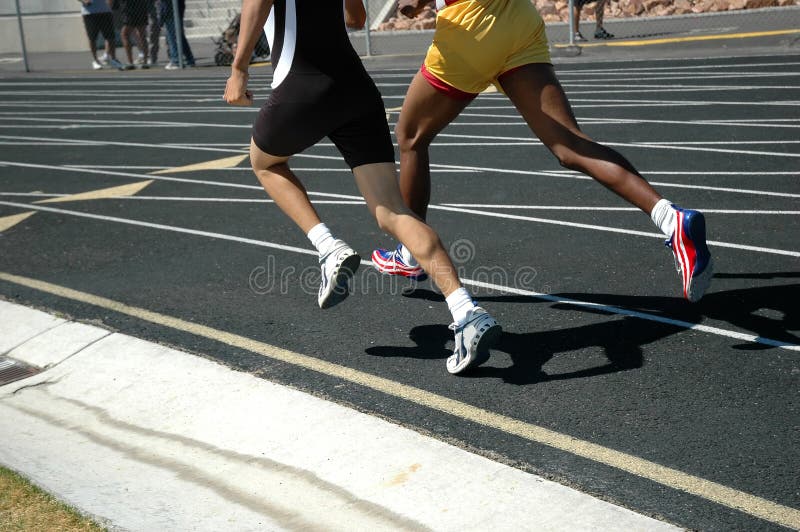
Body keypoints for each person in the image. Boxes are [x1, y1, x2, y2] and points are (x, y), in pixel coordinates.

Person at [223, 0, 502, 374]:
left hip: (301, 87)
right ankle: (466, 311)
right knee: (393, 211)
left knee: (265, 162)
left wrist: (239, 68)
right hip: (356, 89)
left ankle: (327, 247)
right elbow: (355, 18)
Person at [373, 0, 713, 303]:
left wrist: (414, 5)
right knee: (570, 145)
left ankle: (410, 253)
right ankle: (670, 218)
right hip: (519, 20)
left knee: (411, 137)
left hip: (473, 24)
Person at [78, 0, 124, 70]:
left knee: (110, 37)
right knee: (92, 38)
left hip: (105, 12)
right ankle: (96, 61)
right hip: (90, 13)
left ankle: (113, 59)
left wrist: (110, 3)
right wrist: (84, 1)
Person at [161, 0, 195, 69]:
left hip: (170, 11)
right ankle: (189, 59)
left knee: (172, 37)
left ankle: (176, 61)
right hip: (174, 10)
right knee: (179, 36)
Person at [118, 0, 149, 69]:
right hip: (141, 9)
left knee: (125, 34)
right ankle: (145, 62)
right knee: (142, 35)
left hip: (130, 11)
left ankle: (130, 62)